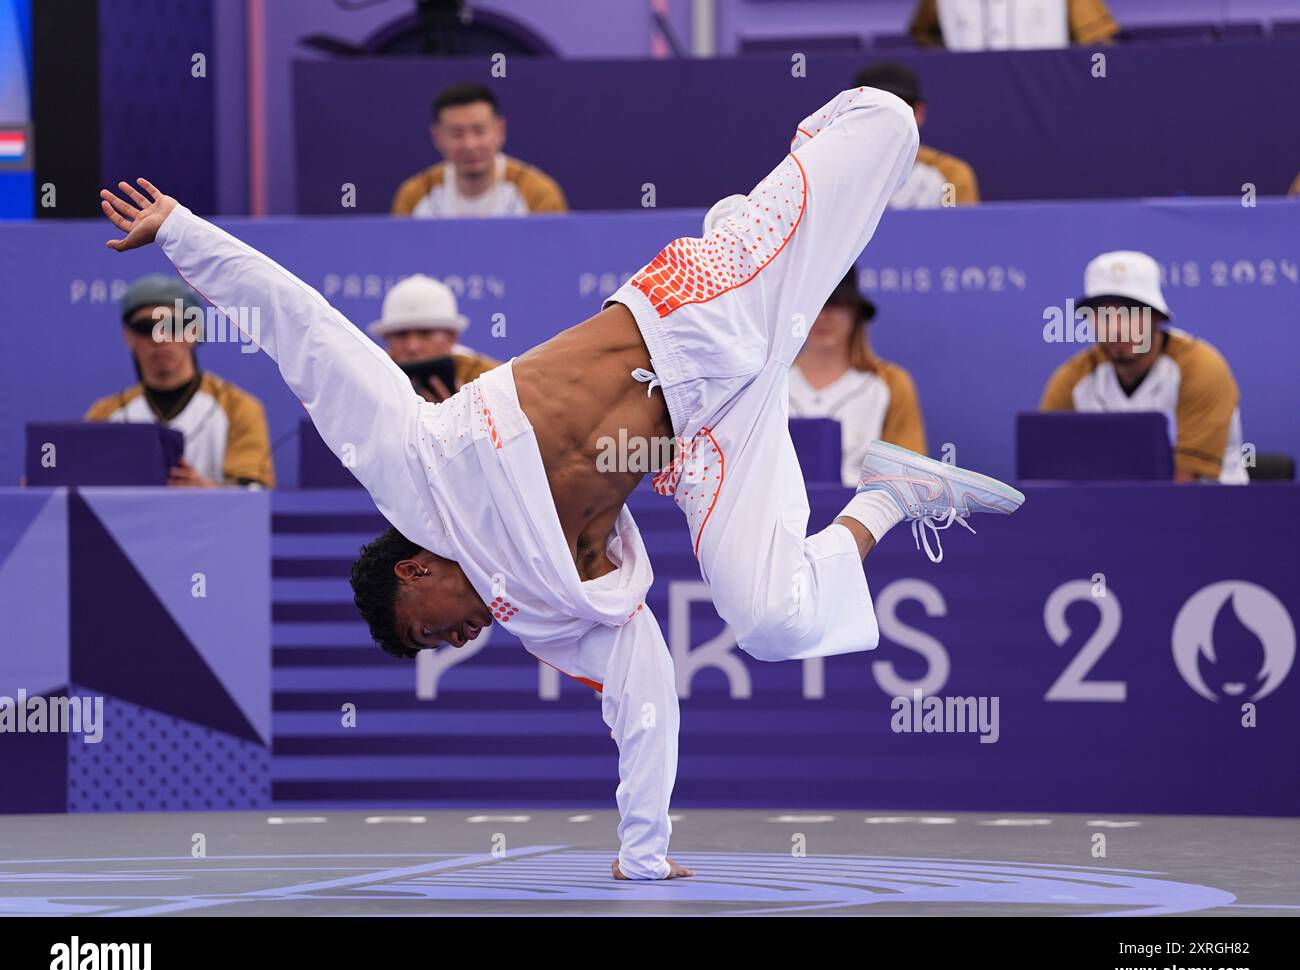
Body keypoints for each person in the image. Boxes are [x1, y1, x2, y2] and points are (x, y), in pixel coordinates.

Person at [99, 87, 1024, 882]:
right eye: (444, 649)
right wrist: (644, 851)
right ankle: (893, 497)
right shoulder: (534, 608)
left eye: (433, 631)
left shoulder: (410, 465)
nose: (459, 639)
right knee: (776, 622)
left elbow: (307, 333)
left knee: (890, 124)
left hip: (696, 318)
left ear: (413, 572)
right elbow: (645, 693)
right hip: (707, 434)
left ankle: (766, 192)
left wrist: (182, 234)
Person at [1040, 250, 1248, 483]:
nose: (1117, 328)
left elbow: (1185, 484)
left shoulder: (1201, 368)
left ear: (1157, 317)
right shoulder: (1071, 380)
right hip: (1112, 512)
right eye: (1104, 316)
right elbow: (1049, 470)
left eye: (1130, 314)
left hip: (1214, 510)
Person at [84, 274, 275, 488]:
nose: (160, 338)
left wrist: (206, 490)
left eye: (172, 326)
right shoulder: (104, 416)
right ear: (128, 337)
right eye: (146, 327)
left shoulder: (237, 408)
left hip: (210, 521)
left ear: (194, 332)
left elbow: (257, 492)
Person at [790, 268, 927, 486]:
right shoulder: (769, 382)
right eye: (814, 303)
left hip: (862, 516)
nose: (823, 316)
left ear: (855, 313)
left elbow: (909, 481)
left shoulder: (890, 383)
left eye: (835, 304)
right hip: (777, 517)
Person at [390, 82, 567, 219]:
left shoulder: (537, 192)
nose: (470, 145)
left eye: (479, 131)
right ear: (437, 137)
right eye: (457, 134)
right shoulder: (414, 195)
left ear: (500, 130)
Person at [852, 62, 978, 208]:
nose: (885, 120)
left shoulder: (950, 177)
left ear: (919, 112)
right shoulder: (832, 173)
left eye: (899, 108)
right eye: (874, 109)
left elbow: (960, 229)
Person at [369, 274, 498, 402]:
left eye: (425, 333)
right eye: (401, 334)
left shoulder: (490, 380)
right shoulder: (368, 379)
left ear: (451, 337)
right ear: (387, 339)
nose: (412, 346)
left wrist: (467, 416)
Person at [908, 0, 1118, 50]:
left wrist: (1095, 82)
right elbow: (925, 38)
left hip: (1045, 100)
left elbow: (1099, 46)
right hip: (972, 100)